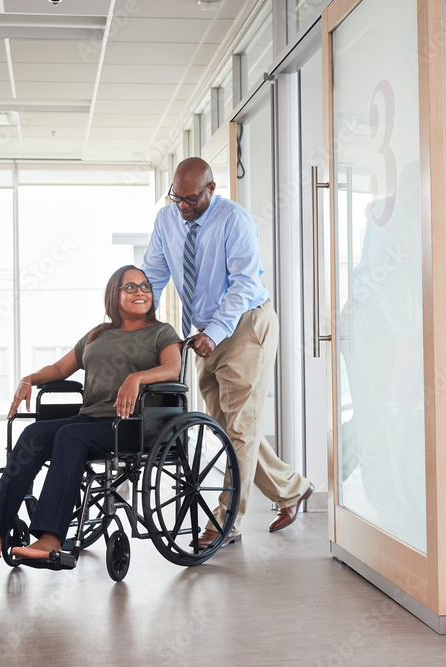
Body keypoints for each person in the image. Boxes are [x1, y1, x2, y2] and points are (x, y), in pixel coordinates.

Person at [0, 265, 181, 564]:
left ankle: (50, 538)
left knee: (70, 436)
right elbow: (59, 369)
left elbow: (173, 369)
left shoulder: (161, 332)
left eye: (145, 286)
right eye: (130, 287)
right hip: (90, 419)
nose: (140, 292)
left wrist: (137, 378)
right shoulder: (98, 334)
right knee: (34, 434)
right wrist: (29, 378)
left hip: (134, 424)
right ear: (114, 294)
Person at [143, 157, 313, 547]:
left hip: (245, 324)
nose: (183, 207)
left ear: (211, 190)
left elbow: (243, 285)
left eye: (190, 199)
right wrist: (135, 321)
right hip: (205, 331)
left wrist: (215, 332)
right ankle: (292, 488)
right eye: (176, 198)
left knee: (238, 429)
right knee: (230, 427)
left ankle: (224, 524)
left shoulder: (234, 221)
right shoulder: (167, 220)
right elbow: (153, 274)